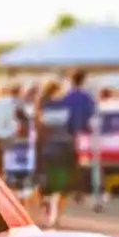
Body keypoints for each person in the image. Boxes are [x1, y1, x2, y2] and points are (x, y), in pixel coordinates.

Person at [34, 80, 75, 228]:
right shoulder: (65, 107)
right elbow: (72, 127)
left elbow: (38, 130)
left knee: (45, 184)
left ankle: (45, 215)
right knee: (61, 185)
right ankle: (56, 217)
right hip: (64, 148)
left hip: (46, 149)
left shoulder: (41, 106)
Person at [61, 69, 100, 211]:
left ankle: (70, 189)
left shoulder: (66, 97)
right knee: (84, 163)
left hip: (68, 134)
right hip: (84, 134)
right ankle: (80, 190)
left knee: (69, 163)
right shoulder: (87, 98)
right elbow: (93, 113)